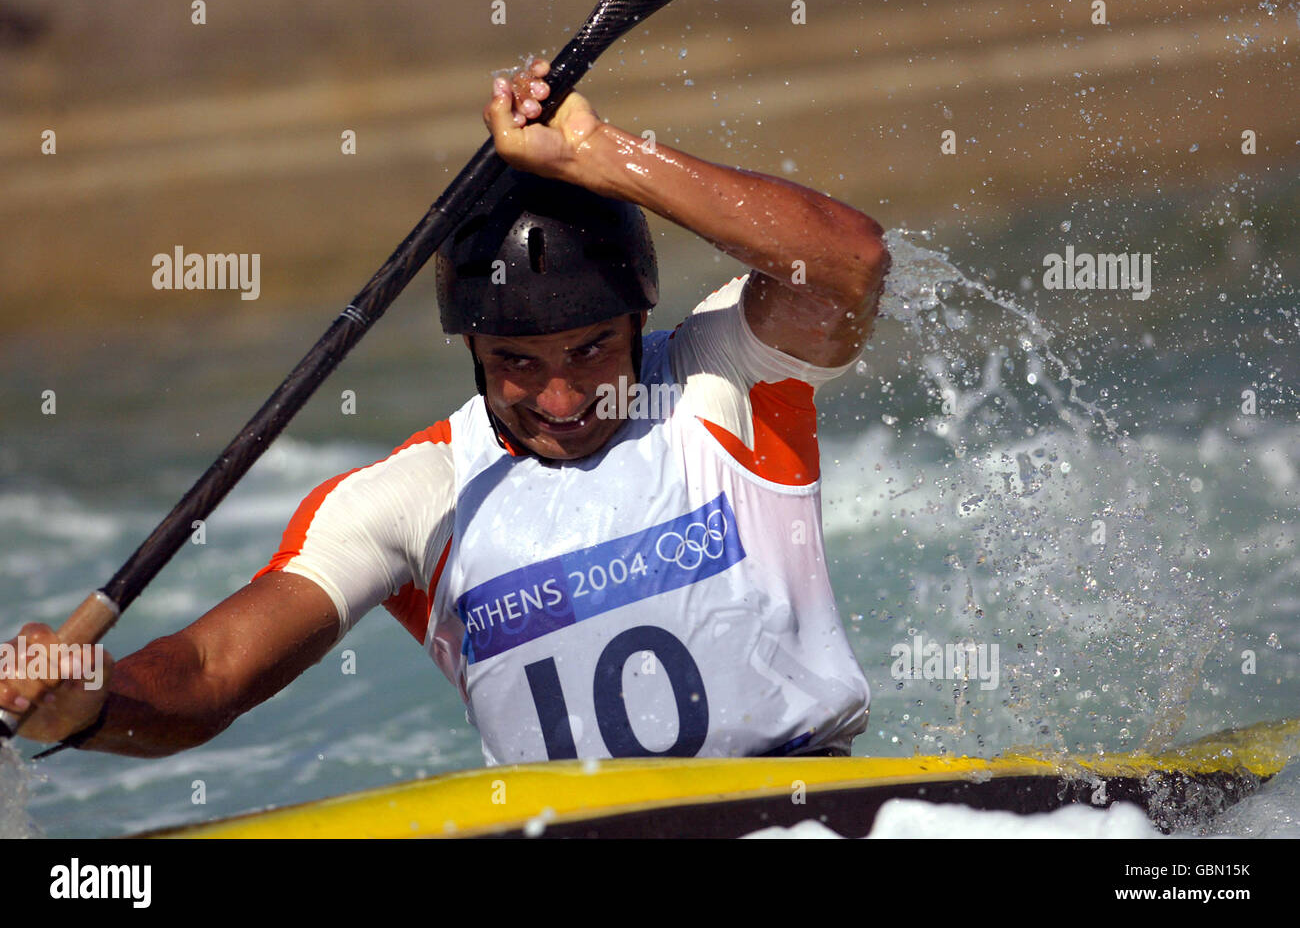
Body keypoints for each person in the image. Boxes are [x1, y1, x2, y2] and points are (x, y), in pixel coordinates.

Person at [1, 58, 889, 763]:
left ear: (641, 319)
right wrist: (94, 701)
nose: (561, 397)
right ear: (469, 350)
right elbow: (207, 674)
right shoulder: (413, 496)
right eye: (516, 364)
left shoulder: (721, 374)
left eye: (592, 350)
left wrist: (600, 158)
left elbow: (849, 259)